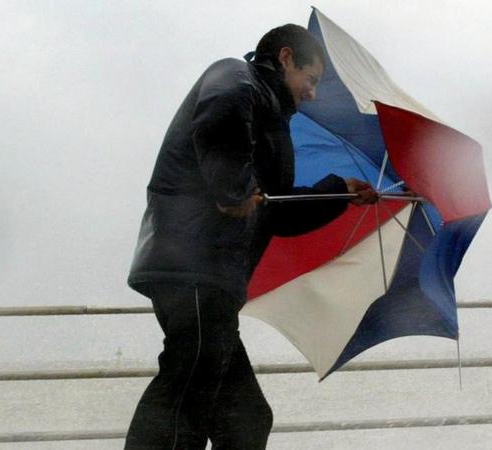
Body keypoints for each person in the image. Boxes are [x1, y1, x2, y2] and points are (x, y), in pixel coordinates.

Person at [124, 24, 377, 449]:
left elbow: (272, 211)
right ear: (284, 58)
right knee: (189, 381)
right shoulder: (236, 78)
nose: (312, 92)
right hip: (192, 264)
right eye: (310, 79)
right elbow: (221, 111)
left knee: (246, 418)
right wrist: (232, 190)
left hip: (215, 275)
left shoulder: (271, 121)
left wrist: (338, 192)